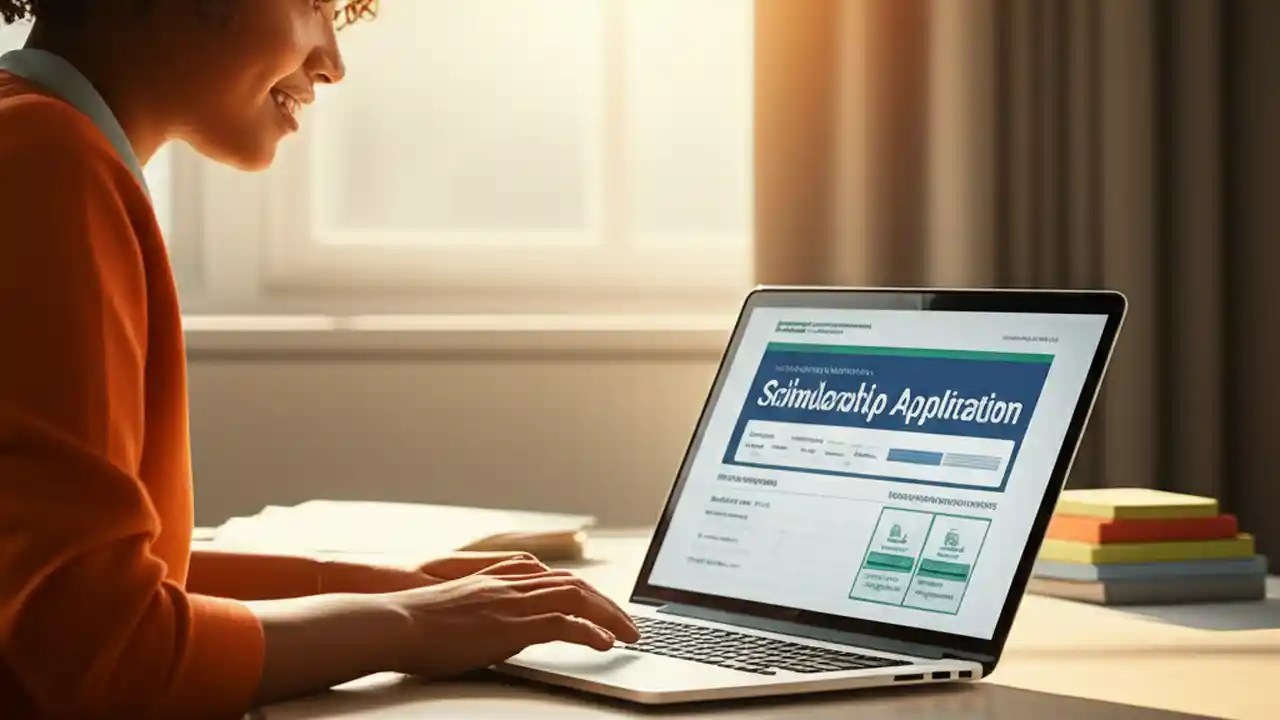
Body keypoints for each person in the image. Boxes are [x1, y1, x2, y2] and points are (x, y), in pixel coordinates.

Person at [0, 1, 640, 717]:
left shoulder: (37, 139)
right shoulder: (48, 165)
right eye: (312, 5)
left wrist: (393, 586)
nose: (331, 62)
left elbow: (86, 582)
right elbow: (103, 654)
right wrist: (414, 625)